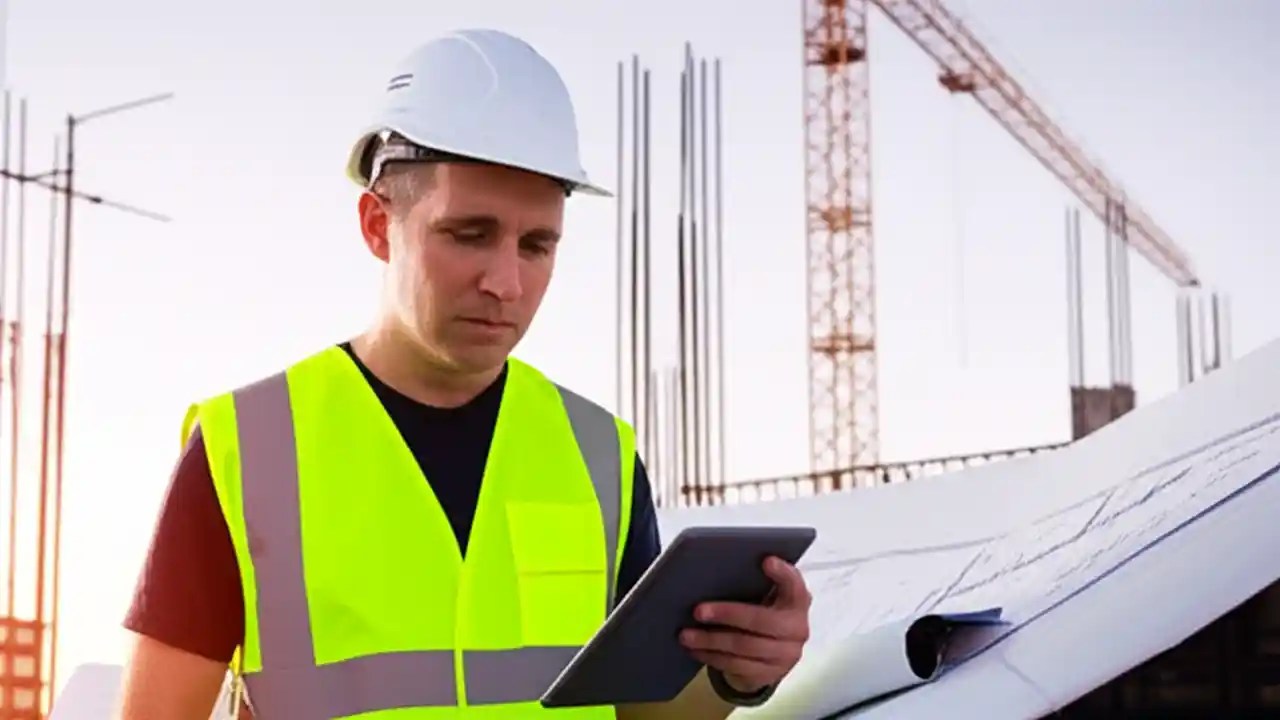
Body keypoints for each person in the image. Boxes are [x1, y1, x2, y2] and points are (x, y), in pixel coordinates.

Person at [116, 28, 811, 719]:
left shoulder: (599, 454)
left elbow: (638, 717)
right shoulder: (248, 448)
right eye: (469, 234)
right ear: (378, 225)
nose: (506, 282)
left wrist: (738, 676)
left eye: (537, 245)